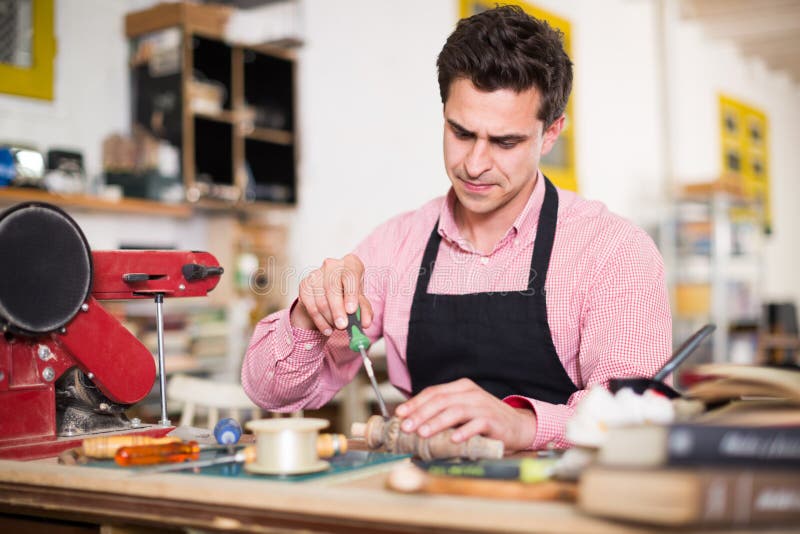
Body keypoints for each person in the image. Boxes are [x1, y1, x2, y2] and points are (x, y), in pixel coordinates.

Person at [242, 6, 672, 452]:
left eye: (505, 142)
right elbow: (272, 394)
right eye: (461, 132)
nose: (474, 164)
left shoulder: (613, 251)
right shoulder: (399, 243)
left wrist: (524, 426)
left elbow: (636, 417)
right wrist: (305, 317)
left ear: (550, 134)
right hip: (425, 499)